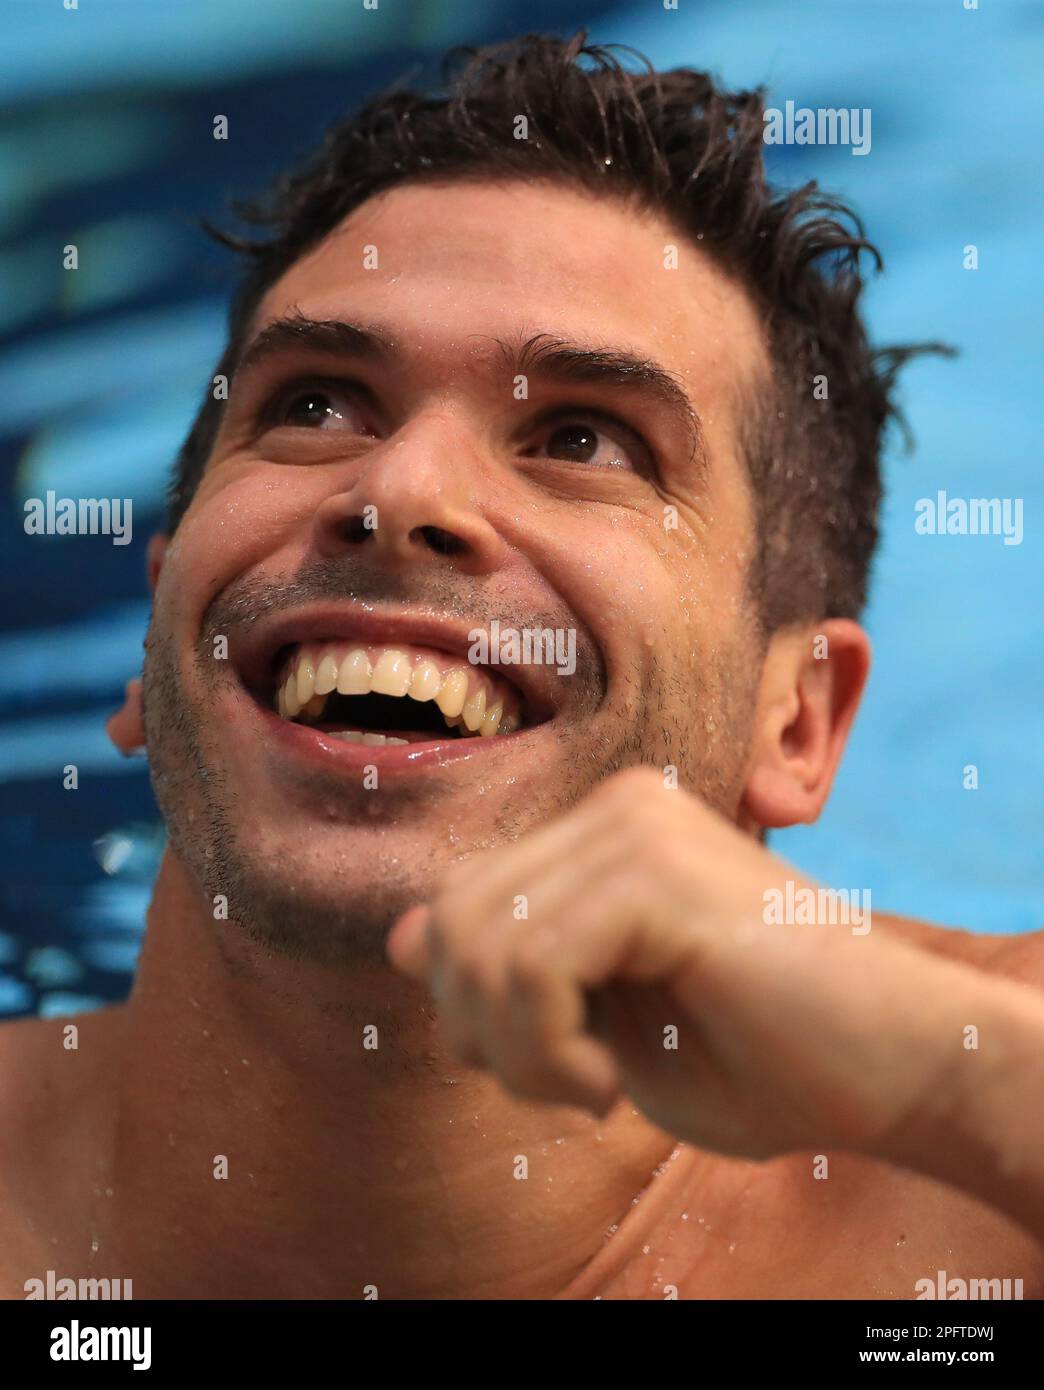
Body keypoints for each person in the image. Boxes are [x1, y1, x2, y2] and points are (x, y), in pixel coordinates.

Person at [2, 32, 1041, 1301]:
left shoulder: (982, 1149)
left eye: (583, 436)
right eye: (317, 405)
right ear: (160, 629)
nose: (400, 488)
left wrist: (947, 1080)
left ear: (799, 726)